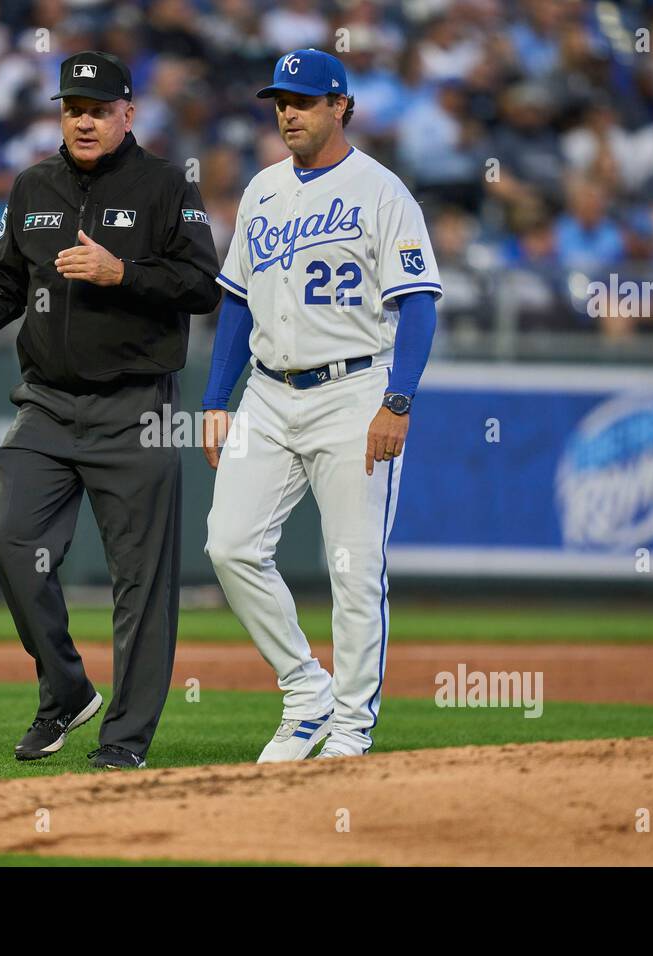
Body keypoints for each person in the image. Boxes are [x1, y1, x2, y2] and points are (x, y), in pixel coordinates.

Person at [0, 51, 220, 770]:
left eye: (98, 109)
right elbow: (4, 275)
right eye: (73, 109)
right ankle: (65, 689)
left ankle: (123, 742)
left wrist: (120, 271)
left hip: (136, 407)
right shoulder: (33, 183)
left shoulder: (165, 184)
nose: (85, 120)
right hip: (47, 404)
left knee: (141, 582)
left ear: (129, 113)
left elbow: (203, 284)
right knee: (11, 544)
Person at [201, 50, 440, 762]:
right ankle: (306, 690)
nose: (288, 112)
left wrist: (397, 401)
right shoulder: (264, 189)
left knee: (353, 566)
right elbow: (237, 302)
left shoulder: (382, 190)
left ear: (342, 107)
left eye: (304, 100)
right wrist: (217, 396)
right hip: (270, 393)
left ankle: (350, 730)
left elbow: (418, 303)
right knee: (230, 545)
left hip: (356, 388)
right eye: (280, 100)